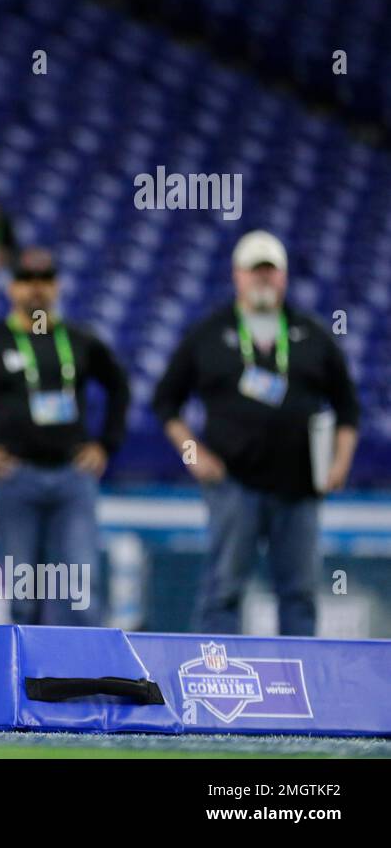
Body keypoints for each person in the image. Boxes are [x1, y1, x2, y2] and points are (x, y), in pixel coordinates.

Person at [152, 230, 360, 636]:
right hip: (233, 483)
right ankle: (213, 679)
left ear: (283, 276)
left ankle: (302, 687)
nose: (263, 278)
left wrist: (340, 463)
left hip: (300, 487)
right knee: (223, 590)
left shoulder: (313, 334)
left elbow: (348, 407)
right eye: (254, 270)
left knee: (299, 593)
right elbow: (165, 402)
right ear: (237, 276)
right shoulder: (208, 334)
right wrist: (194, 456)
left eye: (270, 270)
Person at [0, 248, 129, 626]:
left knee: (80, 588)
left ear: (57, 286)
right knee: (24, 594)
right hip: (15, 479)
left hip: (72, 477)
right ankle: (27, 680)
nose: (36, 290)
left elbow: (119, 387)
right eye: (27, 281)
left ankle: (83, 680)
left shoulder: (80, 341)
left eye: (45, 280)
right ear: (12, 288)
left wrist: (105, 444)